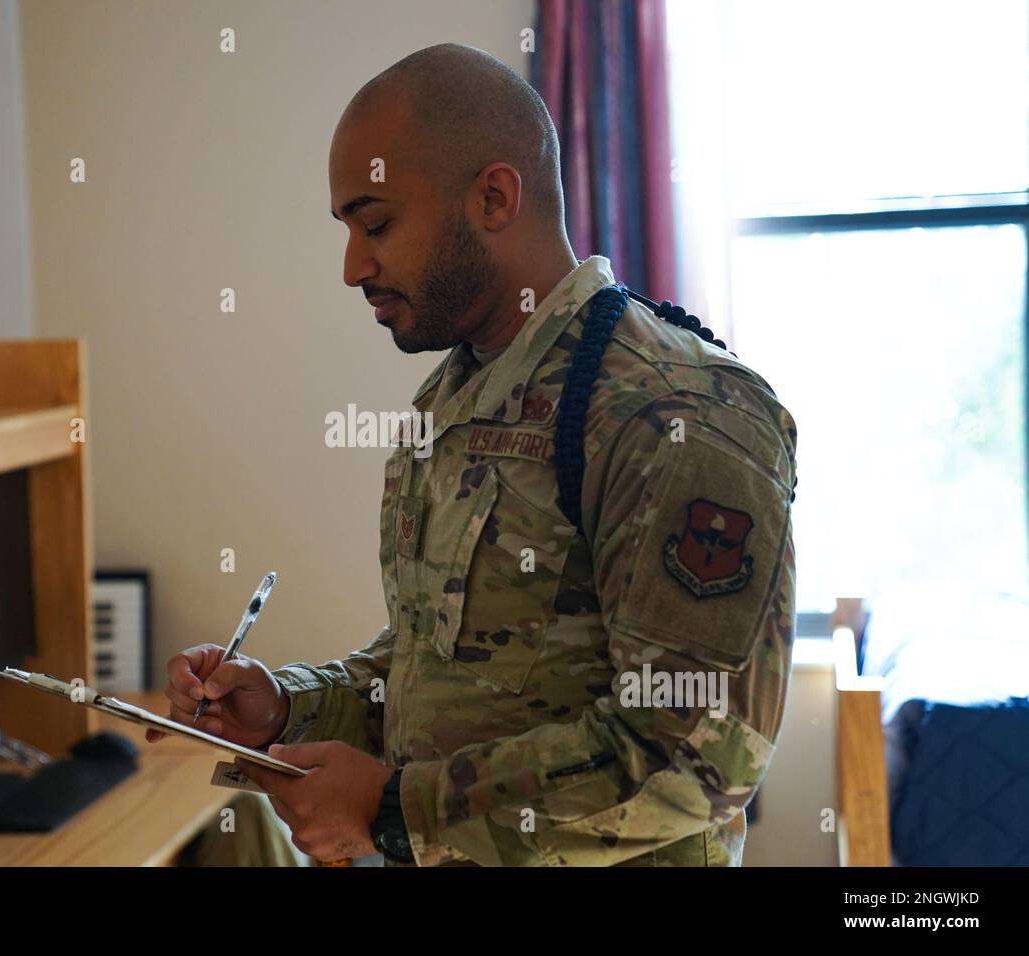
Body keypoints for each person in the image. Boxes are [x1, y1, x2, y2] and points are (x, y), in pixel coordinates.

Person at [149, 43, 797, 867]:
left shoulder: (673, 413)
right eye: (348, 230)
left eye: (377, 223)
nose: (353, 267)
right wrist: (286, 708)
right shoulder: (457, 397)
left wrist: (390, 808)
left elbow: (691, 760)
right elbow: (436, 676)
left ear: (493, 197)